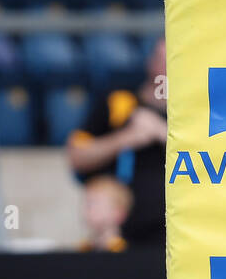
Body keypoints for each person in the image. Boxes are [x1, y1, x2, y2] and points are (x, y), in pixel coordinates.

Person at [66, 38, 167, 249]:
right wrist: (126, 137)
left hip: (174, 239)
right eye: (161, 58)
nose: (166, 67)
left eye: (174, 59)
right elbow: (77, 156)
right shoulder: (118, 101)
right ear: (150, 62)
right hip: (119, 238)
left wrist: (165, 135)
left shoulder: (201, 111)